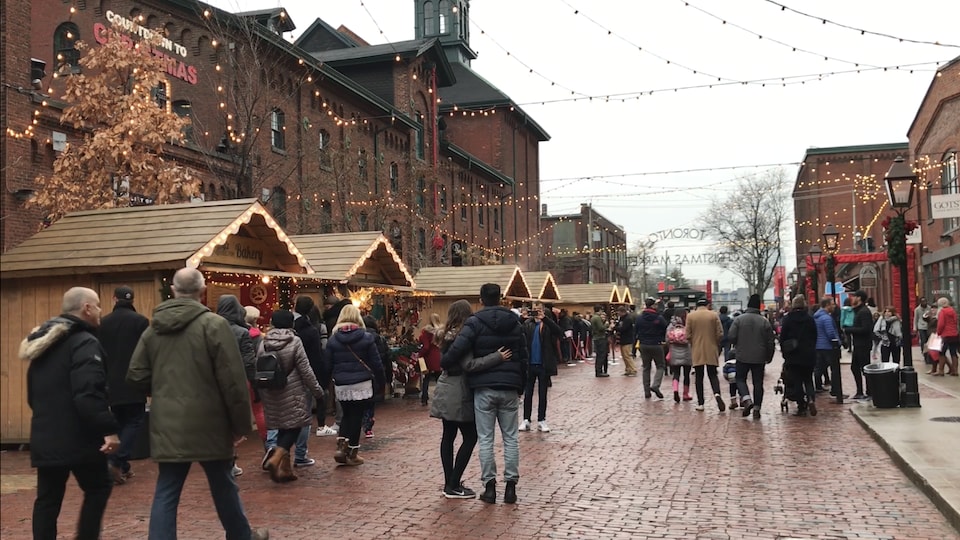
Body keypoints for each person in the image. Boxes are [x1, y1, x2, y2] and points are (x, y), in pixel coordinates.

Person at [127, 268, 268, 540]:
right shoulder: (213, 325)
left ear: (173, 290)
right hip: (211, 420)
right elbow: (232, 380)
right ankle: (240, 535)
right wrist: (240, 425)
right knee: (223, 484)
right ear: (203, 291)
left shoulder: (154, 329)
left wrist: (163, 391)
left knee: (167, 489)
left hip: (168, 422)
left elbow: (136, 374)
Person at [22, 287, 120, 540]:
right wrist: (108, 429)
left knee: (47, 499)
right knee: (98, 487)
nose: (100, 311)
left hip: (45, 435)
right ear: (86, 308)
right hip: (79, 437)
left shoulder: (43, 345)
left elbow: (33, 395)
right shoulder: (85, 342)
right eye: (97, 305)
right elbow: (89, 392)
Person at [441, 283, 528, 505]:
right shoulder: (515, 322)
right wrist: (521, 386)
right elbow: (523, 356)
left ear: (481, 299)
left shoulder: (475, 322)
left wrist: (446, 360)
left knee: (486, 439)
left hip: (484, 387)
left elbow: (456, 351)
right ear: (501, 297)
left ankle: (489, 488)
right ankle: (511, 487)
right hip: (509, 386)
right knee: (511, 438)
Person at [431, 300, 513, 499]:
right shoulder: (463, 338)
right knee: (470, 436)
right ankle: (453, 483)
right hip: (459, 389)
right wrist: (496, 357)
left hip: (445, 386)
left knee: (448, 435)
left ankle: (449, 482)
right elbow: (469, 365)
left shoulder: (445, 335)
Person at [258, 309, 325, 483]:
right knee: (295, 426)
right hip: (292, 390)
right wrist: (317, 391)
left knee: (282, 426)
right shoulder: (294, 341)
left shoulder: (264, 341)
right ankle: (277, 456)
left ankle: (285, 469)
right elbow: (305, 369)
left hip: (271, 390)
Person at [323, 304, 385, 466]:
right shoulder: (366, 338)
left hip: (341, 383)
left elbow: (327, 365)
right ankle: (352, 451)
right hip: (361, 383)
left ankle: (341, 447)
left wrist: (324, 383)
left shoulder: (333, 339)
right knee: (357, 417)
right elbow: (376, 363)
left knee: (346, 414)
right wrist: (381, 381)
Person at [100, 285, 149, 485]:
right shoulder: (141, 322)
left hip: (111, 381)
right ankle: (117, 460)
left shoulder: (103, 323)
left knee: (119, 421)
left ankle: (123, 466)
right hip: (134, 380)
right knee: (135, 421)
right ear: (132, 300)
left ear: (114, 299)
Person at [216, 294, 256, 477]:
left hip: (215, 381)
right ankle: (230, 461)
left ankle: (225, 460)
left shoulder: (212, 328)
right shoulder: (242, 332)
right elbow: (248, 361)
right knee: (234, 423)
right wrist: (252, 381)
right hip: (237, 381)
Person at [728, 294, 775, 419]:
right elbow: (770, 341)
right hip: (759, 357)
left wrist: (737, 344)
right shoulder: (764, 321)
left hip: (742, 355)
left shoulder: (739, 320)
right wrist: (769, 356)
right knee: (758, 382)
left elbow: (731, 336)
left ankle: (747, 399)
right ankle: (757, 408)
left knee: (740, 379)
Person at [520, 305, 561, 432]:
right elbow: (517, 333)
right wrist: (522, 318)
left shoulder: (548, 324)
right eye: (534, 309)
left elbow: (559, 332)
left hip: (543, 363)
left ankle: (541, 419)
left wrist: (545, 319)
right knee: (528, 393)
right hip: (530, 363)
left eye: (539, 310)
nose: (536, 312)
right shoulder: (528, 324)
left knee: (543, 393)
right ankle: (526, 419)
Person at [779, 296, 819, 416]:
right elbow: (815, 335)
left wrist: (785, 352)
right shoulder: (809, 319)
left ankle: (801, 406)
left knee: (797, 381)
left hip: (793, 355)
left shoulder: (788, 319)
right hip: (808, 354)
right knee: (808, 379)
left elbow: (782, 337)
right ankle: (811, 399)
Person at [686, 298, 726, 412]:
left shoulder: (691, 316)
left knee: (699, 376)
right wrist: (715, 342)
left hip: (697, 349)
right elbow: (720, 333)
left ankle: (701, 403)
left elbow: (687, 335)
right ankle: (717, 394)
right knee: (712, 374)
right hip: (711, 348)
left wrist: (693, 342)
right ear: (707, 305)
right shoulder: (713, 315)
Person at [362, 315, 390, 438]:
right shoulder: (380, 339)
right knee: (371, 401)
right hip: (374, 373)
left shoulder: (360, 338)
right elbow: (386, 358)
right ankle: (368, 425)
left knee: (362, 400)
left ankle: (362, 420)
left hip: (362, 373)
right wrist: (386, 377)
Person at [244, 306, 267, 447]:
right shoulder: (258, 337)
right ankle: (265, 438)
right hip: (253, 374)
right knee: (259, 408)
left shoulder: (234, 332)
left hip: (239, 373)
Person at [845, 290, 874, 400]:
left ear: (859, 298)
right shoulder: (859, 311)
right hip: (858, 344)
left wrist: (850, 330)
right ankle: (860, 391)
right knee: (855, 368)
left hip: (863, 344)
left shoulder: (864, 312)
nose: (852, 298)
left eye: (854, 296)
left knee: (865, 368)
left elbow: (866, 329)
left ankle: (869, 392)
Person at [634, 299, 667, 398]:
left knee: (646, 368)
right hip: (656, 344)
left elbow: (635, 330)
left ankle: (647, 391)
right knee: (660, 366)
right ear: (653, 306)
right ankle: (656, 385)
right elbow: (664, 328)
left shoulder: (640, 318)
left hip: (643, 344)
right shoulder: (659, 318)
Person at [813, 297, 842, 397]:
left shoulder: (817, 317)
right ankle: (835, 390)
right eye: (832, 304)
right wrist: (838, 342)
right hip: (828, 347)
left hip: (819, 346)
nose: (834, 306)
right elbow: (831, 333)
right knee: (834, 368)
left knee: (819, 367)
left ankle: (818, 386)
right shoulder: (826, 318)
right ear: (827, 305)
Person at [665, 308, 692, 403]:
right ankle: (685, 394)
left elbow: (667, 339)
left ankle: (675, 390)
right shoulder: (687, 324)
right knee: (686, 374)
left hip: (674, 352)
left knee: (676, 373)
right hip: (687, 352)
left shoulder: (671, 325)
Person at [418, 313, 444, 406]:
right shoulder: (442, 331)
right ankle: (441, 397)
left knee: (426, 379)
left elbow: (426, 347)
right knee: (439, 379)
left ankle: (424, 398)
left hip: (429, 358)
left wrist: (420, 354)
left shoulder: (426, 332)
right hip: (439, 356)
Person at [935, 297, 959, 376]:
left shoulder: (942, 312)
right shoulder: (953, 311)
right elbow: (955, 321)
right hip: (954, 334)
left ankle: (941, 370)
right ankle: (955, 370)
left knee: (941, 352)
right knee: (953, 352)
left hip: (945, 335)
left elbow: (941, 324)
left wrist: (938, 333)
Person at [615, 304, 638, 377]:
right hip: (623, 339)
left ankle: (633, 370)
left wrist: (616, 328)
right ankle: (628, 369)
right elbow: (618, 325)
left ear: (622, 312)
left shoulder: (628, 319)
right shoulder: (621, 318)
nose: (618, 314)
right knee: (624, 356)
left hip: (627, 339)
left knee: (627, 355)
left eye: (619, 312)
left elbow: (623, 328)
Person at [590, 306, 609, 377]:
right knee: (601, 355)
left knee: (599, 355)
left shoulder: (593, 317)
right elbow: (601, 328)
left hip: (596, 337)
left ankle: (598, 371)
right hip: (600, 337)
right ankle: (599, 371)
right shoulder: (597, 318)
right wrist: (606, 324)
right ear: (600, 310)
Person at [915, 297, 933, 368]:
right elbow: (916, 319)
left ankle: (930, 356)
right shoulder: (917, 309)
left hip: (928, 326)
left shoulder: (929, 308)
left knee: (929, 341)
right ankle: (925, 355)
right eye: (922, 301)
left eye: (925, 301)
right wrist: (915, 328)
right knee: (923, 341)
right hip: (921, 327)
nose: (924, 303)